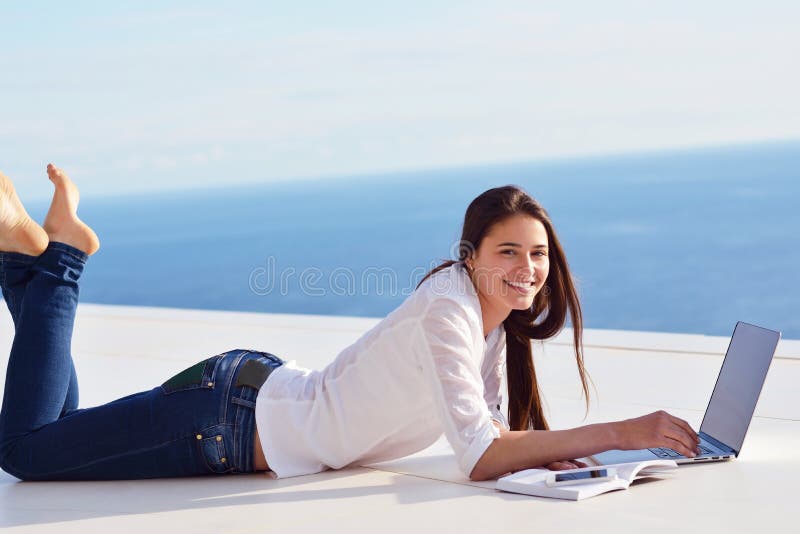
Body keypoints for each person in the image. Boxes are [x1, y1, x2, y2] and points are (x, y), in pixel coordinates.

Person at [0, 164, 701, 482]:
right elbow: (480, 456)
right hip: (225, 421)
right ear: (472, 255)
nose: (527, 268)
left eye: (539, 253)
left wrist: (591, 458)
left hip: (241, 403)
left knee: (55, 436)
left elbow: (490, 436)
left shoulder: (482, 319)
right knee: (28, 452)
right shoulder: (449, 309)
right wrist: (622, 433)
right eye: (508, 251)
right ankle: (58, 261)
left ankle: (24, 255)